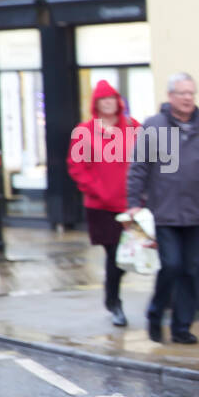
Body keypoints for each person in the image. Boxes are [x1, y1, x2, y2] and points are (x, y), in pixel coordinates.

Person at [127, 73, 199, 344]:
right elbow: (138, 169)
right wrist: (132, 204)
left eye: (192, 93)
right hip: (162, 213)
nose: (188, 98)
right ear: (170, 96)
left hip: (195, 214)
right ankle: (155, 313)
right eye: (183, 93)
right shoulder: (154, 127)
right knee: (172, 266)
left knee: (189, 270)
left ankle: (181, 327)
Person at [67, 80, 141, 326]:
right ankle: (114, 303)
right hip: (101, 206)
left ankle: (153, 302)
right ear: (96, 103)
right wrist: (98, 189)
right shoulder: (85, 131)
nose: (108, 103)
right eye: (103, 99)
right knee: (114, 255)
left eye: (112, 98)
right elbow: (77, 168)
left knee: (135, 254)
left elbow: (149, 160)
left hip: (131, 205)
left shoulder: (133, 127)